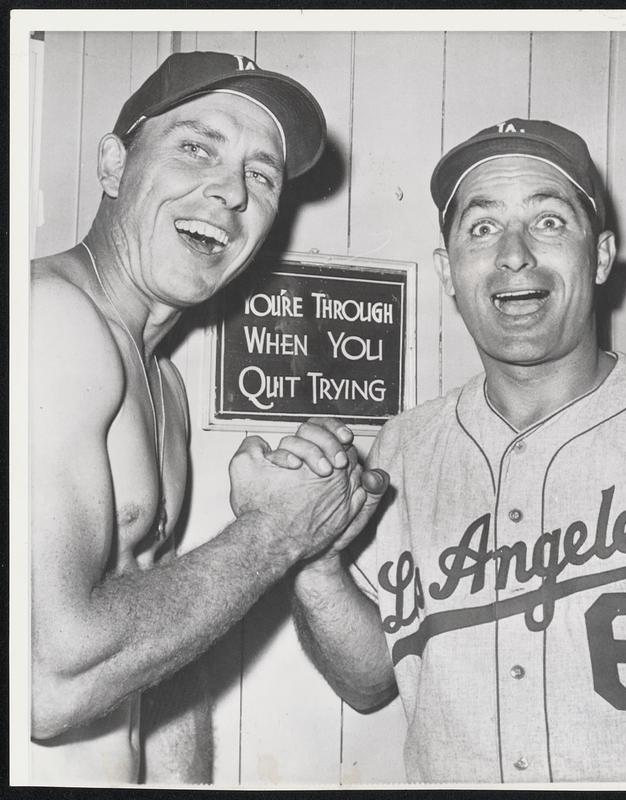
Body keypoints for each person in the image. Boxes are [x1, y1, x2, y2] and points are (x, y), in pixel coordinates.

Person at [29, 50, 388, 786]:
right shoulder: (48, 319)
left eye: (261, 175)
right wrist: (279, 531)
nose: (229, 191)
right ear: (112, 165)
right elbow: (45, 683)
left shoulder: (162, 381)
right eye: (197, 147)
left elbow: (154, 648)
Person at [289, 118, 626, 783]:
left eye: (548, 222)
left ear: (600, 256)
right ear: (448, 271)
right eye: (482, 229)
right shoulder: (403, 446)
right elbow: (370, 681)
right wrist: (311, 560)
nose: (513, 254)